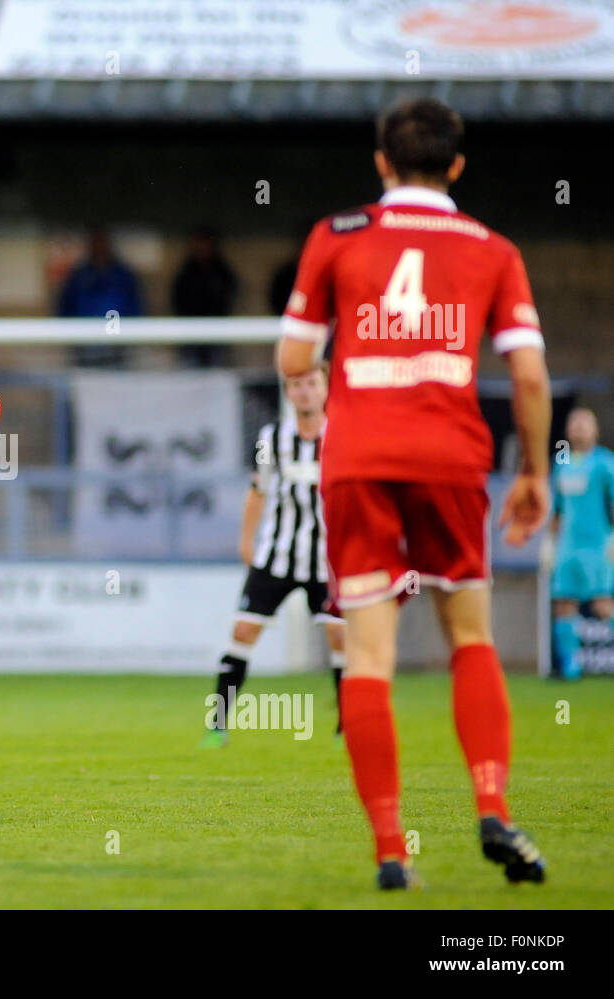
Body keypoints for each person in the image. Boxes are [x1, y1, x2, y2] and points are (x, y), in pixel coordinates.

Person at [279, 97, 551, 890]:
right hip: (452, 458)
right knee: (469, 634)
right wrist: (534, 471)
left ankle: (392, 853)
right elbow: (529, 375)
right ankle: (493, 806)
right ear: (458, 166)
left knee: (368, 656)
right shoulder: (493, 249)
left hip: (359, 458)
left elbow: (295, 351)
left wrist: (337, 394)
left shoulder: (337, 236)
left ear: (381, 163)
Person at [202, 363, 345, 747]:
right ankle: (217, 725)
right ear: (288, 392)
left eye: (311, 383)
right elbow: (258, 491)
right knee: (243, 631)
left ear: (325, 388)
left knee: (341, 637)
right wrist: (246, 540)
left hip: (326, 560)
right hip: (276, 555)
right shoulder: (272, 437)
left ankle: (345, 728)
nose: (303, 391)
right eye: (296, 385)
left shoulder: (343, 437)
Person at [548, 407, 614, 679]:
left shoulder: (605, 462)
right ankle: (570, 669)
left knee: (602, 604)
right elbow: (557, 509)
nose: (579, 428)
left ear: (595, 430)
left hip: (597, 545)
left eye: (585, 424)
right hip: (567, 548)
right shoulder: (561, 462)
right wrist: (549, 543)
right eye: (574, 423)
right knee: (564, 604)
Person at [56, 229, 142, 367]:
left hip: (117, 340)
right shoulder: (78, 275)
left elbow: (135, 306)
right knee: (88, 381)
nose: (99, 247)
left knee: (115, 380)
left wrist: (131, 332)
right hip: (85, 341)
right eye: (95, 243)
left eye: (102, 242)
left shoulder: (122, 275)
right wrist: (71, 333)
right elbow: (66, 307)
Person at [171, 225, 238, 367]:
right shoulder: (186, 273)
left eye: (207, 243)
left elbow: (231, 294)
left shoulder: (222, 271)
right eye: (200, 243)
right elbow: (178, 300)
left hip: (218, 334)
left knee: (217, 374)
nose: (203, 248)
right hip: (190, 335)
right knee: (191, 375)